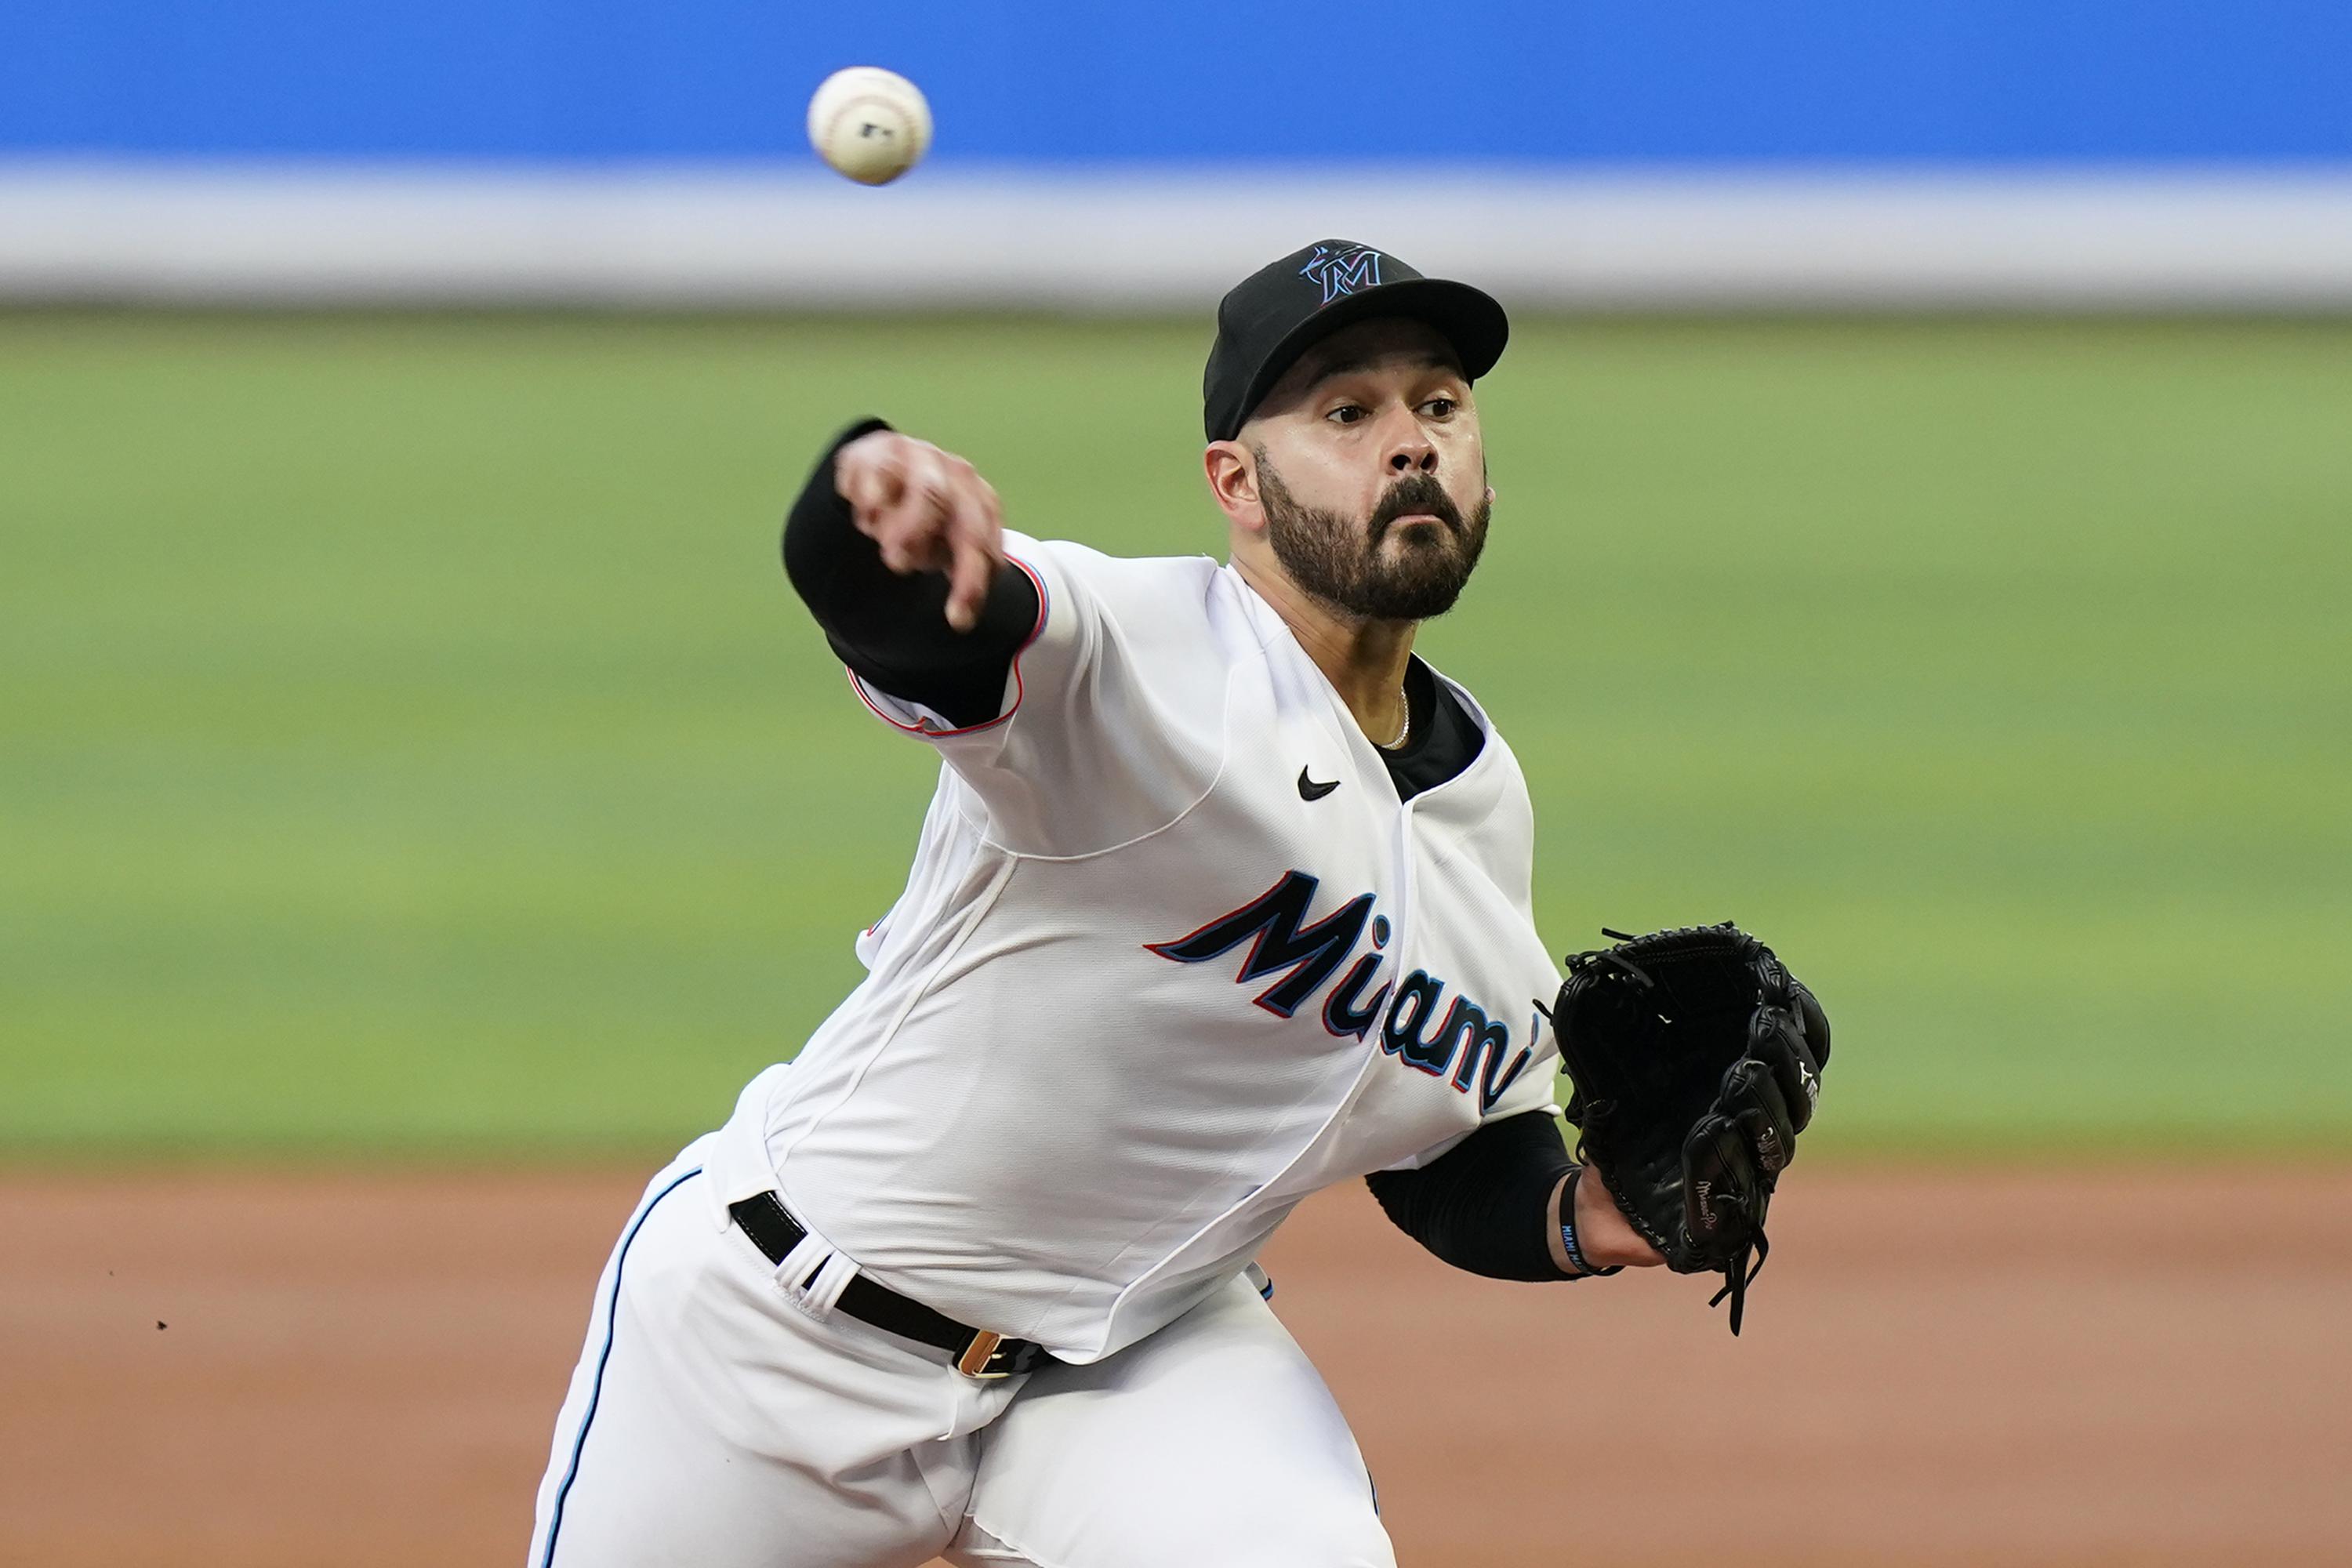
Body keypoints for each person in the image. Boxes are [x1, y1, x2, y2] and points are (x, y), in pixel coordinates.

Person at [528, 239, 1668, 1568]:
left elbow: (1448, 1132)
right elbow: (944, 623)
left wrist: (1579, 1216)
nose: (1410, 444)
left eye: (1439, 405)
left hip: (1129, 1364)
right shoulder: (1143, 654)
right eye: (1347, 413)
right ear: (1234, 483)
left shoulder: (1482, 796)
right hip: (778, 1339)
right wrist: (872, 512)